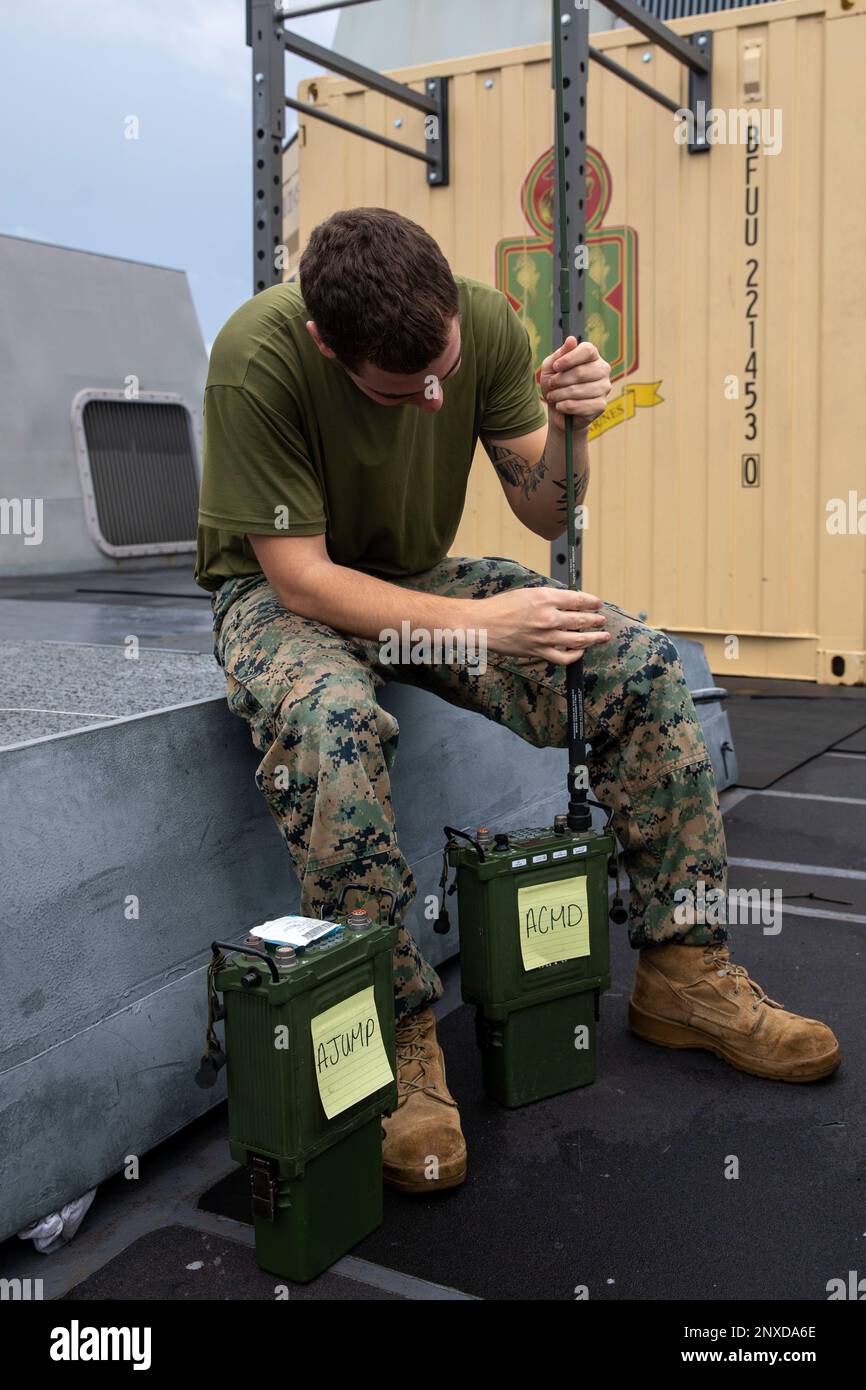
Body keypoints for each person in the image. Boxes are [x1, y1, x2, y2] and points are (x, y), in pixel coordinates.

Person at [195, 207, 841, 1195]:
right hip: (291, 595)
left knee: (630, 657)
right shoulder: (261, 357)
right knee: (330, 724)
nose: (433, 395)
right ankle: (398, 1035)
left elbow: (544, 504)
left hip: (418, 571)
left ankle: (683, 968)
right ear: (328, 343)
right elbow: (302, 582)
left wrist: (574, 430)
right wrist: (484, 628)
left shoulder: (484, 321)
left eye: (443, 368)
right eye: (402, 389)